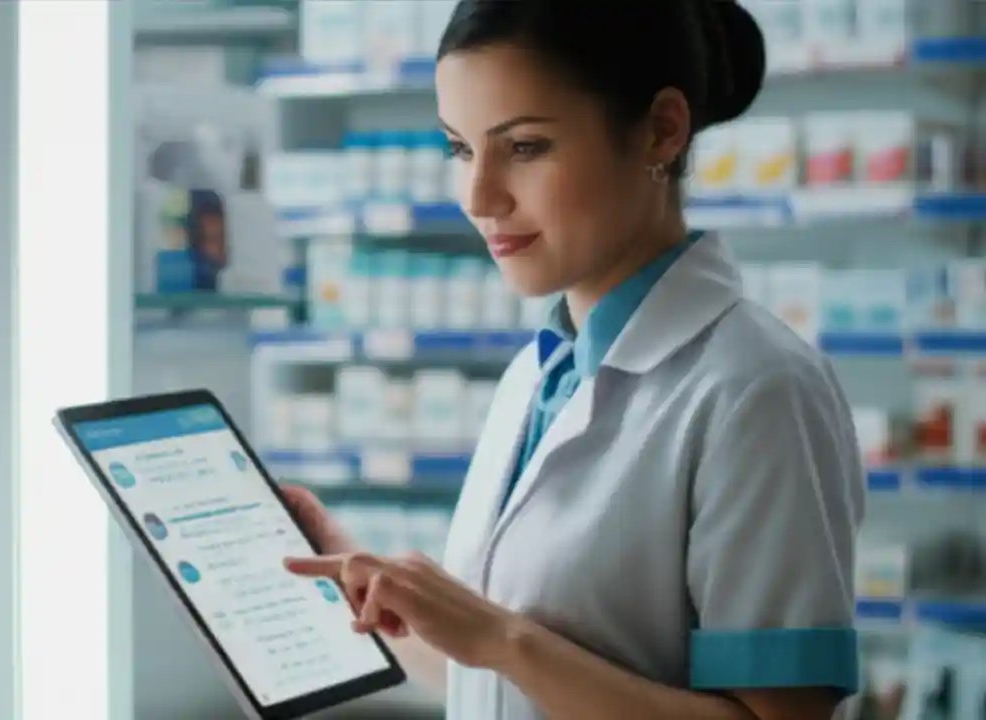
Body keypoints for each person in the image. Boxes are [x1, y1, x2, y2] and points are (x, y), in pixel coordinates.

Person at [281, 2, 865, 719]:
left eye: (524, 147)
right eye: (460, 149)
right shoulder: (540, 375)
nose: (479, 197)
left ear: (661, 129)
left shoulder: (759, 388)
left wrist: (499, 638)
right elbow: (498, 681)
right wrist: (360, 578)